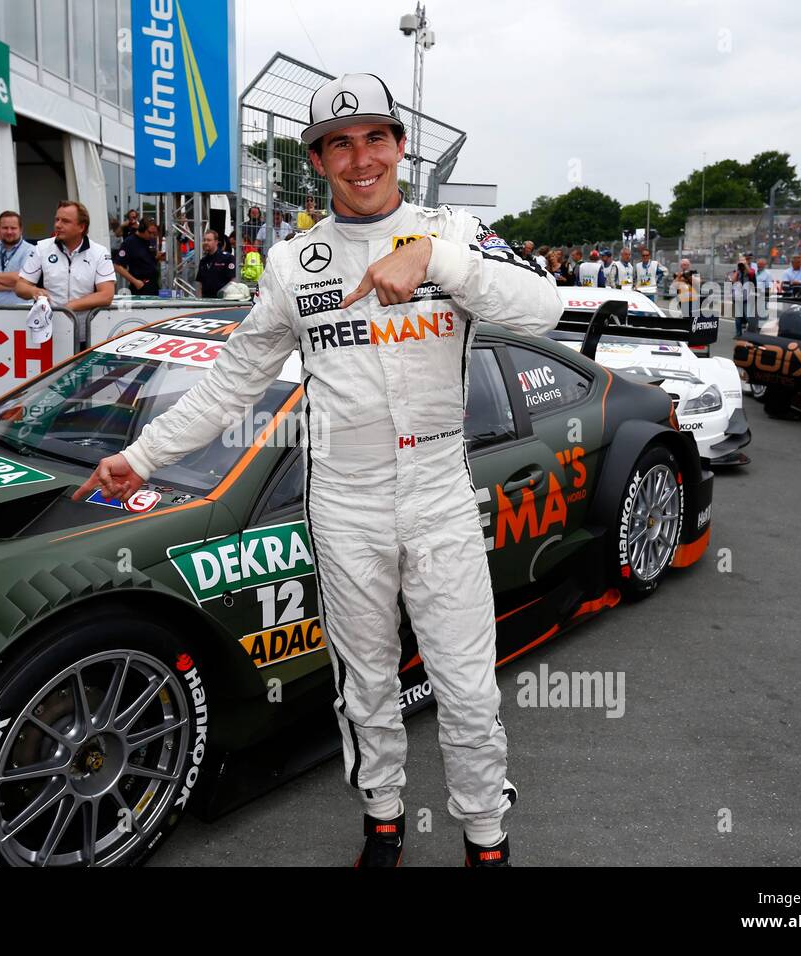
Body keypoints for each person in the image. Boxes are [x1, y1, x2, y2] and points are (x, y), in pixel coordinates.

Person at [71, 72, 561, 868]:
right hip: (344, 499)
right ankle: (383, 820)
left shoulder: (452, 229)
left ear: (400, 146)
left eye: (374, 138)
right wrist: (139, 455)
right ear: (318, 160)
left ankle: (485, 837)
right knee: (363, 681)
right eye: (340, 144)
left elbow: (546, 307)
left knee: (467, 687)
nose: (360, 158)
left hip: (438, 490)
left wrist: (436, 258)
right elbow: (232, 383)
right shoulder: (295, 262)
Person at [16, 201, 115, 321]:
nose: (58, 225)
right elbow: (20, 287)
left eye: (65, 221)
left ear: (81, 227)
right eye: (57, 219)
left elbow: (106, 295)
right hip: (49, 328)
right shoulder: (42, 247)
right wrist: (33, 290)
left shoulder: (99, 252)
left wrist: (69, 307)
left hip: (87, 331)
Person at [113, 218, 162, 295]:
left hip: (154, 285)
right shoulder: (129, 242)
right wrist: (135, 282)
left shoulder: (148, 240)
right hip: (141, 287)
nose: (152, 236)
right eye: (150, 233)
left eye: (154, 233)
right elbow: (117, 266)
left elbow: (145, 261)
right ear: (142, 229)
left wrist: (156, 258)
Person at [196, 229, 236, 297]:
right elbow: (200, 284)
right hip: (205, 301)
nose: (205, 242)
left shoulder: (227, 258)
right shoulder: (203, 261)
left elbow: (232, 281)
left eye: (209, 240)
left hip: (222, 301)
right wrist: (198, 300)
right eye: (204, 240)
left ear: (216, 242)